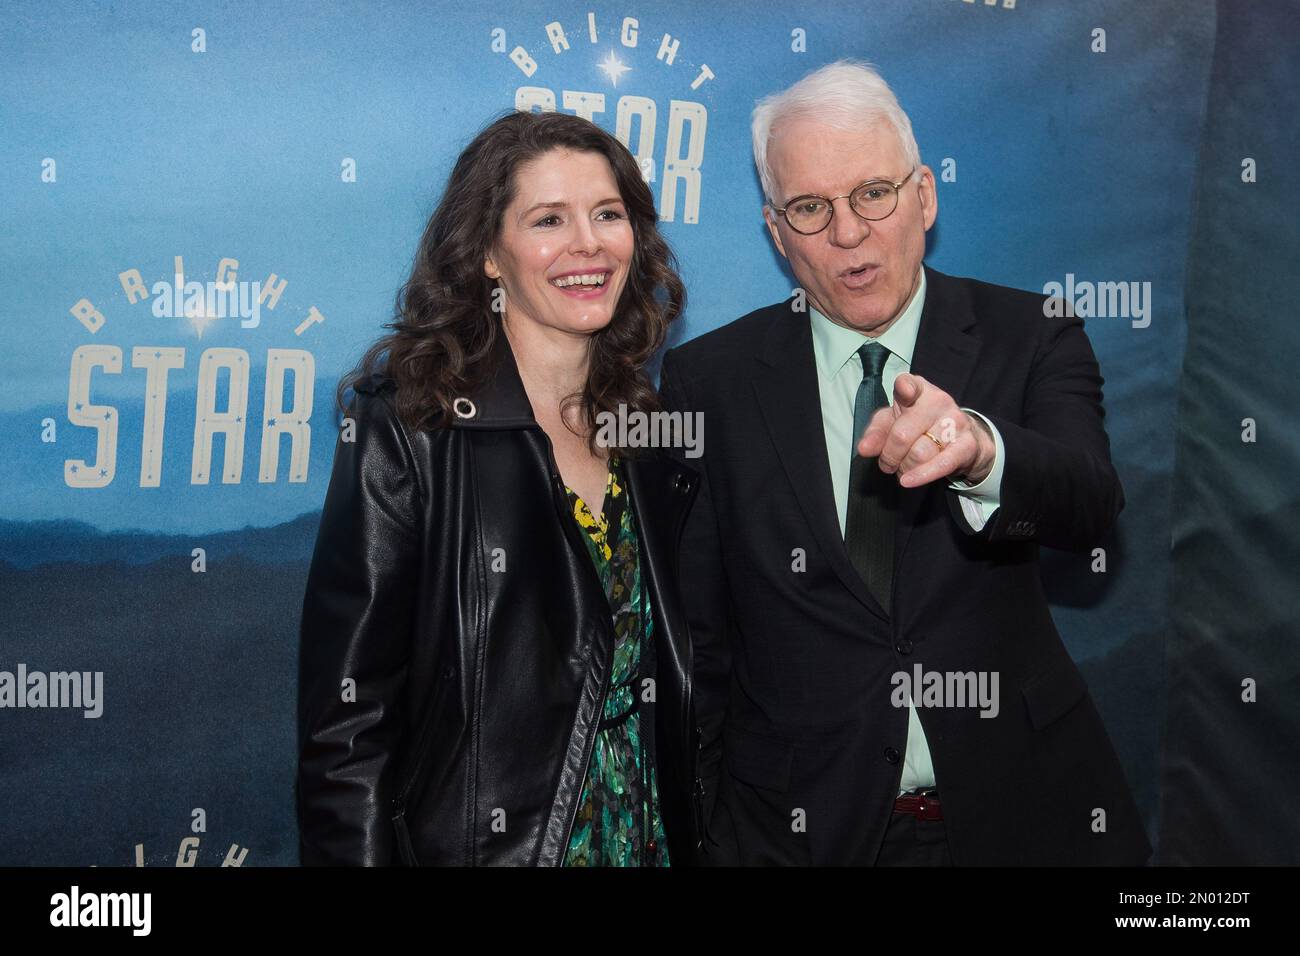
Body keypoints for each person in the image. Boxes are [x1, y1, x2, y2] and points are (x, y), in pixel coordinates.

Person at [657, 60, 1153, 865]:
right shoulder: (707, 380)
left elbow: (1090, 501)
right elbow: (701, 638)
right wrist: (711, 832)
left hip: (1025, 815)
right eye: (811, 208)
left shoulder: (1031, 331)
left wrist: (978, 450)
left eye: (872, 195)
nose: (847, 232)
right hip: (803, 832)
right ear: (776, 232)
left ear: (923, 194)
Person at [297, 109, 707, 866]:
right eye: (549, 219)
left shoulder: (650, 429)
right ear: (489, 253)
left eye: (608, 214)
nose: (588, 243)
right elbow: (346, 731)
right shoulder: (413, 427)